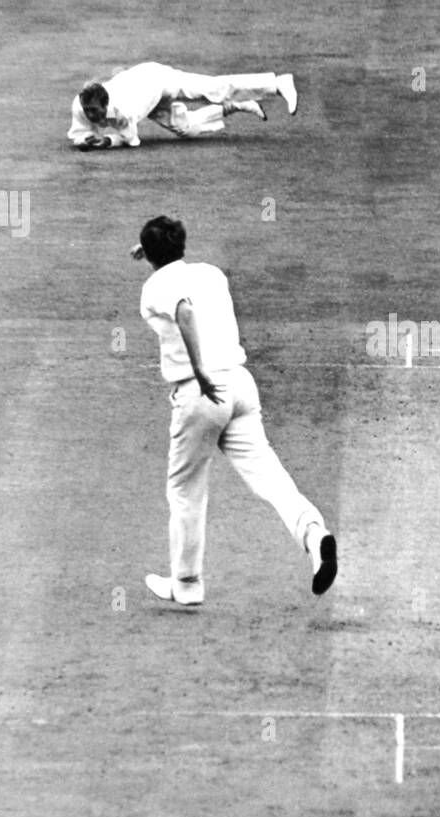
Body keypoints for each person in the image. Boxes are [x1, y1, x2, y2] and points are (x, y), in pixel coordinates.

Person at [133, 215, 336, 605]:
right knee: (269, 475)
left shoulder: (154, 286)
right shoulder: (211, 273)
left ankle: (187, 584)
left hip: (200, 393)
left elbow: (184, 311)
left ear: (150, 255)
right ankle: (314, 533)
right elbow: (181, 281)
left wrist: (199, 371)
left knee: (184, 490)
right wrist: (155, 252)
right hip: (242, 386)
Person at [70, 62, 298, 149]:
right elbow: (79, 135)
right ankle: (239, 105)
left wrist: (107, 141)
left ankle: (277, 83)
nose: (90, 115)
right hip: (146, 96)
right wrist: (85, 140)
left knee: (214, 89)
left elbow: (132, 141)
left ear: (106, 104)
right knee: (187, 129)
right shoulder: (80, 105)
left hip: (158, 79)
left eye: (95, 111)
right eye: (87, 110)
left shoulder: (125, 111)